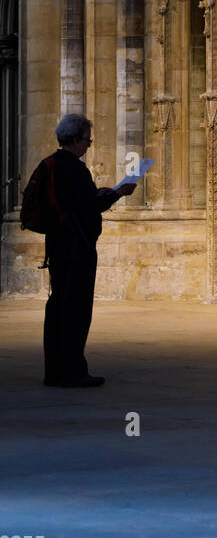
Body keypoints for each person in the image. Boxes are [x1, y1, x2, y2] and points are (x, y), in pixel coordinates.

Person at [31, 115, 138, 389]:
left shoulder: (51, 164)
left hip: (58, 245)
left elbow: (76, 202)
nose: (88, 146)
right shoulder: (74, 169)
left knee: (58, 308)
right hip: (76, 246)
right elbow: (89, 206)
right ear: (76, 139)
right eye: (88, 140)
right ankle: (72, 372)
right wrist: (118, 193)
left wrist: (99, 194)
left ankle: (55, 371)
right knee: (76, 310)